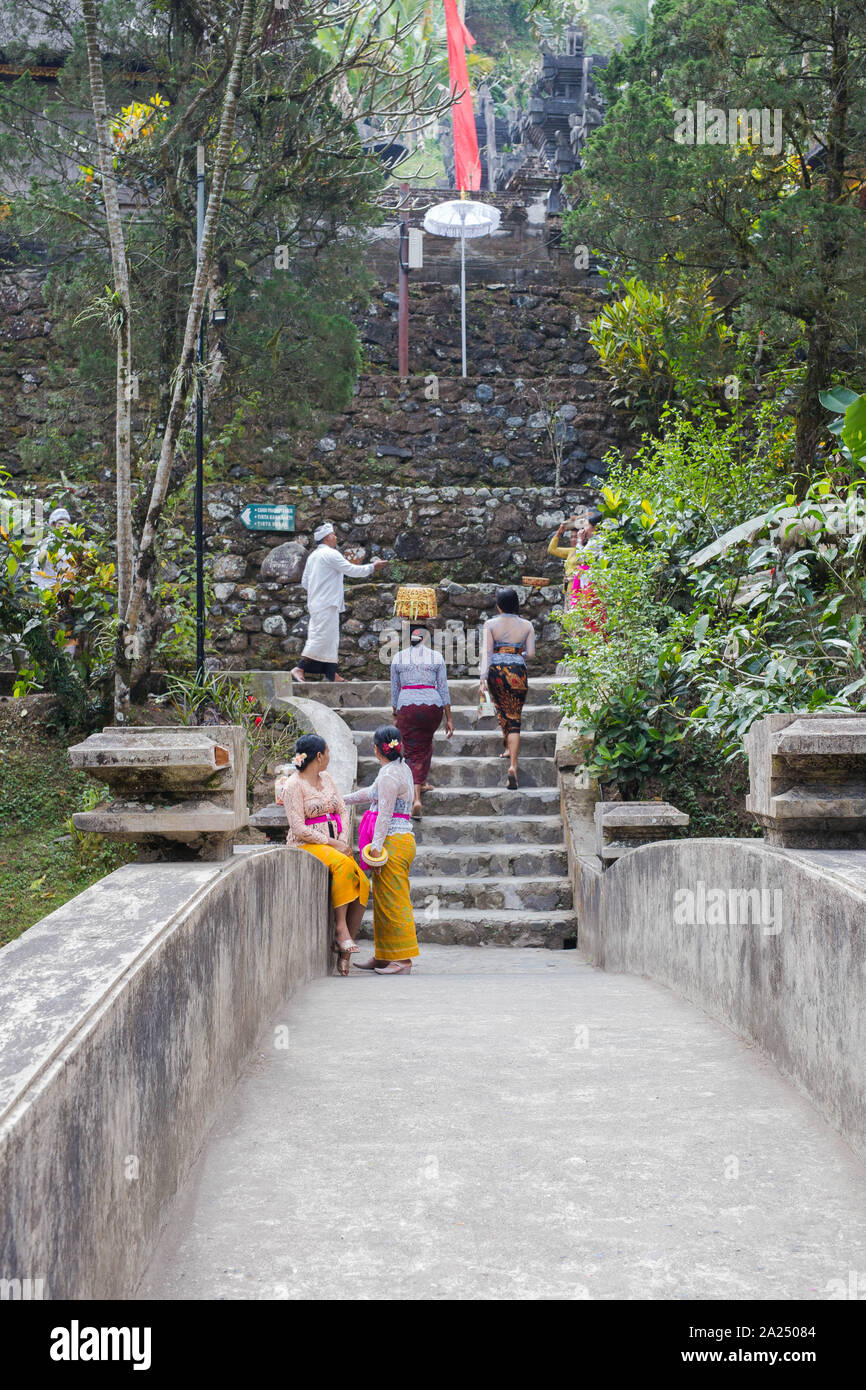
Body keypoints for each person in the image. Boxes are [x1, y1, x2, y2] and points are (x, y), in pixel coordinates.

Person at [276, 733, 370, 975]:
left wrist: (341, 839)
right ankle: (341, 930)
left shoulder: (326, 778)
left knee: (364, 883)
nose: (329, 757)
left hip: (332, 845)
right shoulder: (293, 786)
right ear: (319, 756)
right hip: (306, 845)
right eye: (327, 752)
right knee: (344, 866)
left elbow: (343, 810)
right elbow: (298, 827)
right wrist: (330, 843)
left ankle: (344, 949)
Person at [344, 725, 419, 975]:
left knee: (394, 902)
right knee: (385, 901)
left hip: (393, 842)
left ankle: (403, 961)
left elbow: (384, 814)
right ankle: (385, 955)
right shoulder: (399, 768)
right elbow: (372, 794)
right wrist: (340, 799)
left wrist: (375, 848)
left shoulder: (389, 774)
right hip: (401, 840)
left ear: (377, 749)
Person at [291, 521, 388, 683]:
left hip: (318, 602)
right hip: (326, 602)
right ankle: (299, 668)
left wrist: (318, 590)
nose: (336, 537)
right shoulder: (330, 554)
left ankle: (331, 673)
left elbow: (305, 583)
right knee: (320, 636)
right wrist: (373, 567)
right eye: (333, 535)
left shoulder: (313, 556)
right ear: (327, 538)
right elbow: (352, 570)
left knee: (330, 638)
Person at [390, 627, 453, 819]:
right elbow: (443, 689)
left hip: (407, 706)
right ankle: (421, 783)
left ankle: (415, 799)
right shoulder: (436, 657)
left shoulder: (398, 658)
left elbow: (394, 690)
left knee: (411, 750)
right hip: (432, 707)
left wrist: (395, 714)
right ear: (426, 639)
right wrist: (449, 718)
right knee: (424, 746)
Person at [478, 588, 536, 790]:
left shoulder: (490, 624)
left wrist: (483, 677)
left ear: (499, 605)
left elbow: (486, 653)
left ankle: (510, 755)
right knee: (514, 715)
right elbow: (531, 653)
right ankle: (512, 764)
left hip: (496, 671)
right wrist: (516, 652)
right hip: (518, 671)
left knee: (501, 709)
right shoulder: (527, 625)